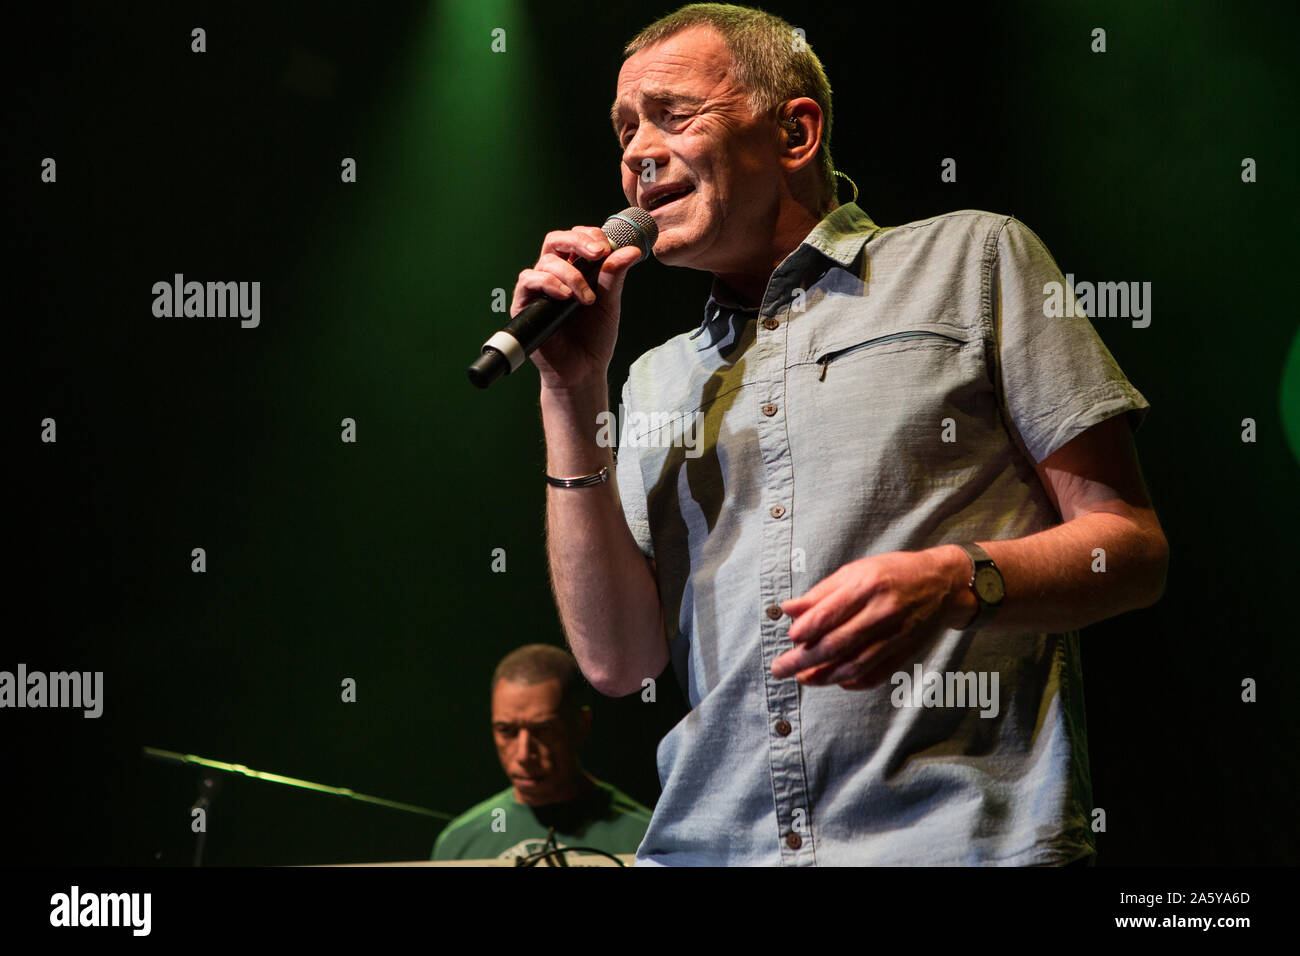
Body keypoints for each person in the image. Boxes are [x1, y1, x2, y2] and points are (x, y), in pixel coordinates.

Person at [515, 4, 1168, 865]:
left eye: (675, 115)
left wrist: (960, 579)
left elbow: (1131, 548)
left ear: (795, 131)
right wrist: (569, 392)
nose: (638, 151)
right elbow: (617, 663)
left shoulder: (972, 261)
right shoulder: (655, 376)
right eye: (625, 128)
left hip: (952, 846)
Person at [430, 644, 652, 863]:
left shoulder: (645, 838)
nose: (524, 754)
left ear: (581, 725)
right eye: (506, 731)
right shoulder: (458, 844)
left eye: (543, 730)